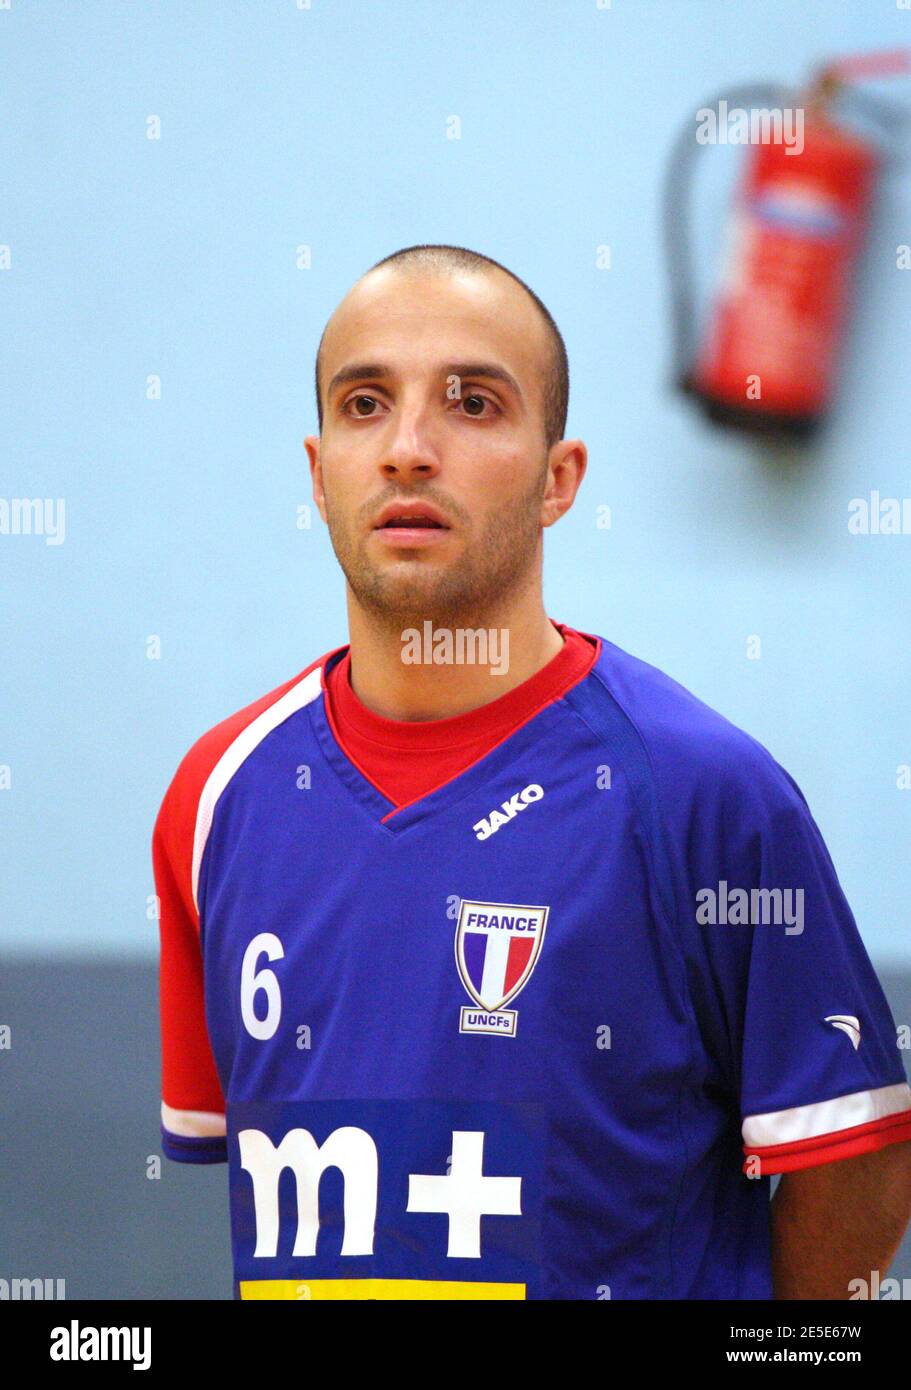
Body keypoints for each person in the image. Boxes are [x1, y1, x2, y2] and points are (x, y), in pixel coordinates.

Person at [153, 243, 911, 1300]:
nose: (408, 449)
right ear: (319, 472)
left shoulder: (701, 793)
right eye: (365, 403)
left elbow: (854, 1158)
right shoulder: (216, 796)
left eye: (471, 403)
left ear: (559, 480)